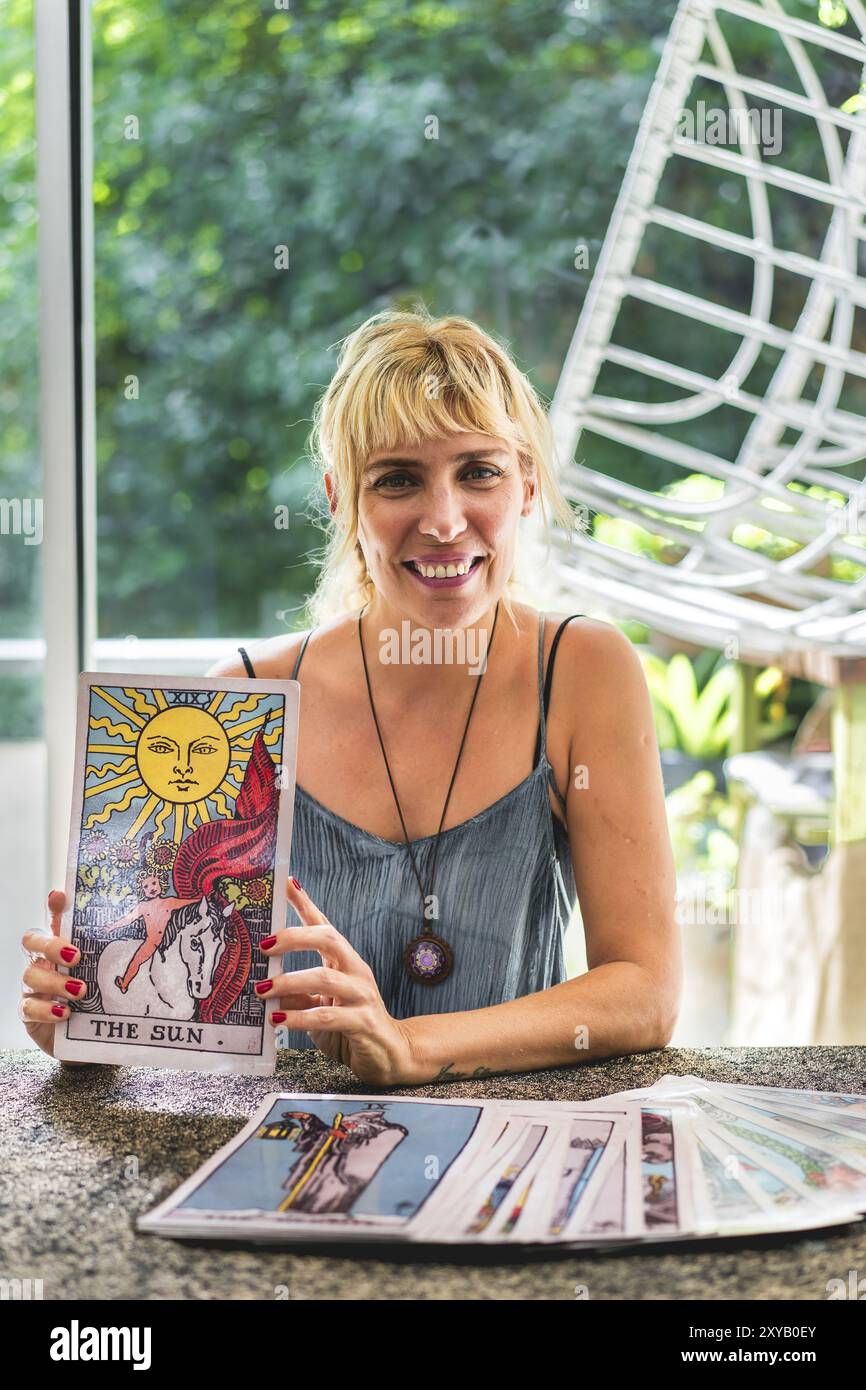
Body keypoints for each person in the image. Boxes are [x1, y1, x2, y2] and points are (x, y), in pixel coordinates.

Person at [20, 308, 681, 1083]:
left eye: (479, 471)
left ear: (528, 485)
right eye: (398, 479)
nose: (442, 520)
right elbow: (164, 1014)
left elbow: (645, 990)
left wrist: (410, 1048)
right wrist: (88, 1018)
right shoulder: (245, 697)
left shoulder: (581, 670)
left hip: (505, 1160)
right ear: (341, 498)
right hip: (275, 1162)